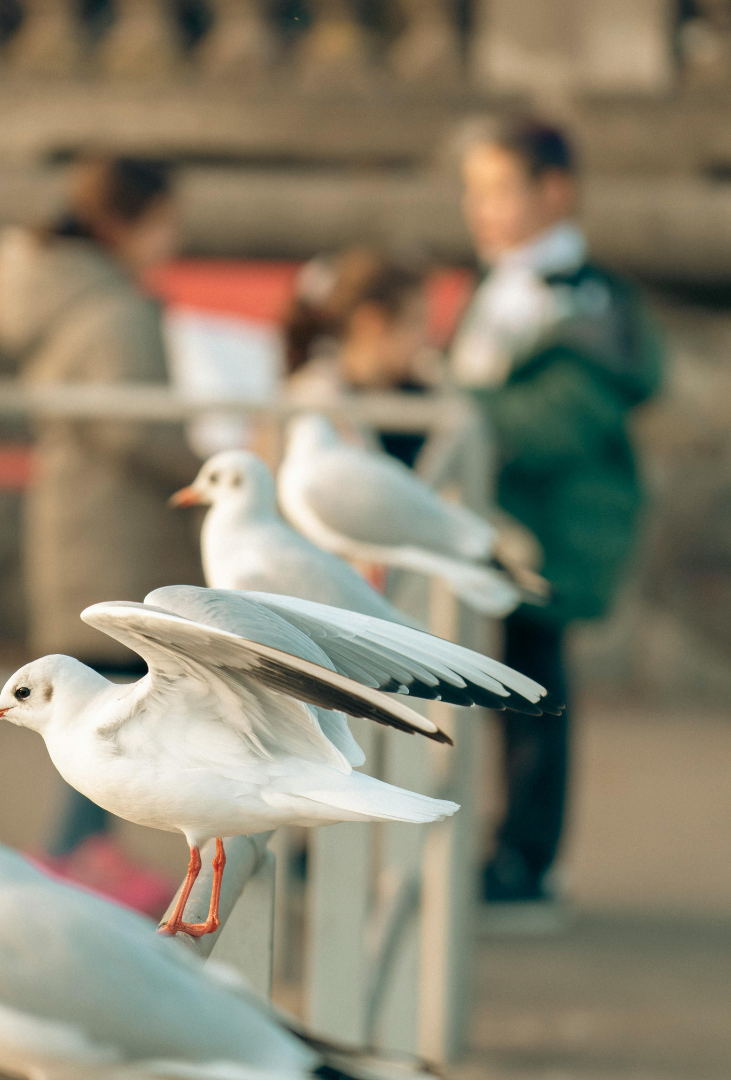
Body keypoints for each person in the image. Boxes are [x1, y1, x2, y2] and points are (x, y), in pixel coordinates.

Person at [450, 119, 663, 906]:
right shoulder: (500, 283)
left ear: (556, 192)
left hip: (547, 527)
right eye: (474, 192)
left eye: (500, 190)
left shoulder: (589, 298)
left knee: (529, 693)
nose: (483, 209)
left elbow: (554, 423)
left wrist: (443, 403)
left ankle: (525, 861)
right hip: (495, 519)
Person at [0, 157, 203, 911]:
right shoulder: (116, 311)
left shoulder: (61, 297)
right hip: (120, 529)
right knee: (107, 705)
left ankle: (85, 848)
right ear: (125, 223)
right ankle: (71, 854)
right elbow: (135, 428)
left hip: (80, 518)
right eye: (165, 224)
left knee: (102, 702)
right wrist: (206, 468)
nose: (173, 241)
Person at [284, 247, 431, 466]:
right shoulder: (311, 399)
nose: (426, 338)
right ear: (371, 323)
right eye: (414, 322)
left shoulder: (428, 397)